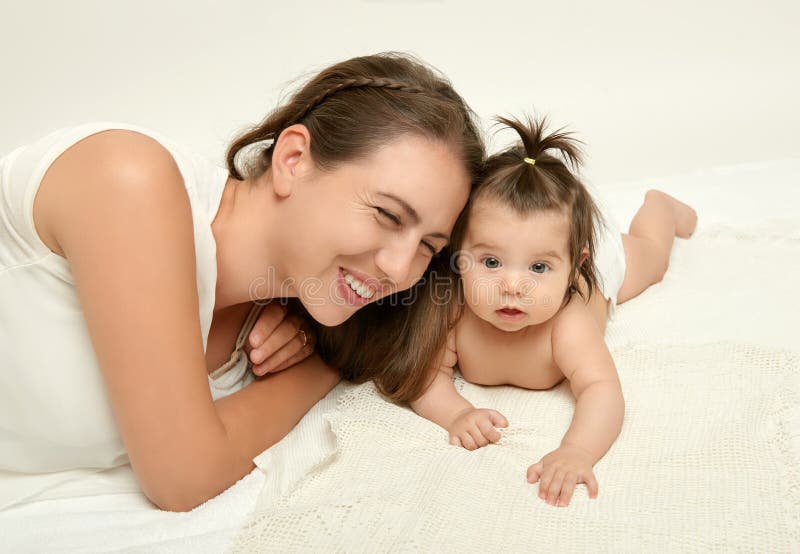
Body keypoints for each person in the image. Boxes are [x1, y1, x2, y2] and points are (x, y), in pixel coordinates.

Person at [0, 52, 484, 512]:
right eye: (387, 214)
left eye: (429, 247)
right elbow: (183, 476)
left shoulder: (282, 320)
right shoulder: (126, 178)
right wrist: (330, 366)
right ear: (293, 159)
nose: (401, 270)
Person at [408, 115, 697, 508]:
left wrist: (577, 450)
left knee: (652, 258)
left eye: (538, 268)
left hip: (602, 270)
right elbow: (425, 376)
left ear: (573, 267)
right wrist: (457, 414)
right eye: (491, 262)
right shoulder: (456, 311)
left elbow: (602, 390)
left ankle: (660, 206)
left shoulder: (568, 323)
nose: (513, 286)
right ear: (459, 259)